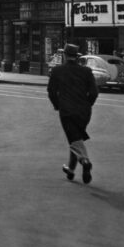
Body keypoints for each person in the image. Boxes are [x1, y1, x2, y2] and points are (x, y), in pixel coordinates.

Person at [47, 43, 99, 184]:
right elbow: (94, 93)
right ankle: (70, 170)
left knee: (74, 138)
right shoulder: (86, 71)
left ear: (64, 55)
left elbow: (51, 91)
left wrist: (57, 105)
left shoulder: (57, 71)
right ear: (76, 57)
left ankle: (85, 161)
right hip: (84, 112)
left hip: (67, 111)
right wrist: (87, 105)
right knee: (75, 139)